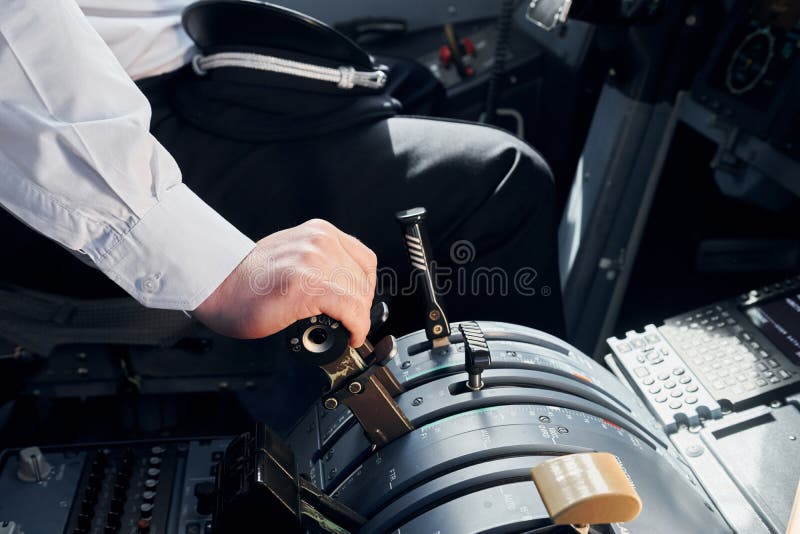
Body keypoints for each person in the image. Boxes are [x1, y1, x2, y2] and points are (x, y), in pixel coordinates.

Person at [0, 0, 565, 348]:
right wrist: (212, 266)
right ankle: (525, 488)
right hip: (91, 136)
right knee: (503, 182)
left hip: (188, 63)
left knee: (416, 85)